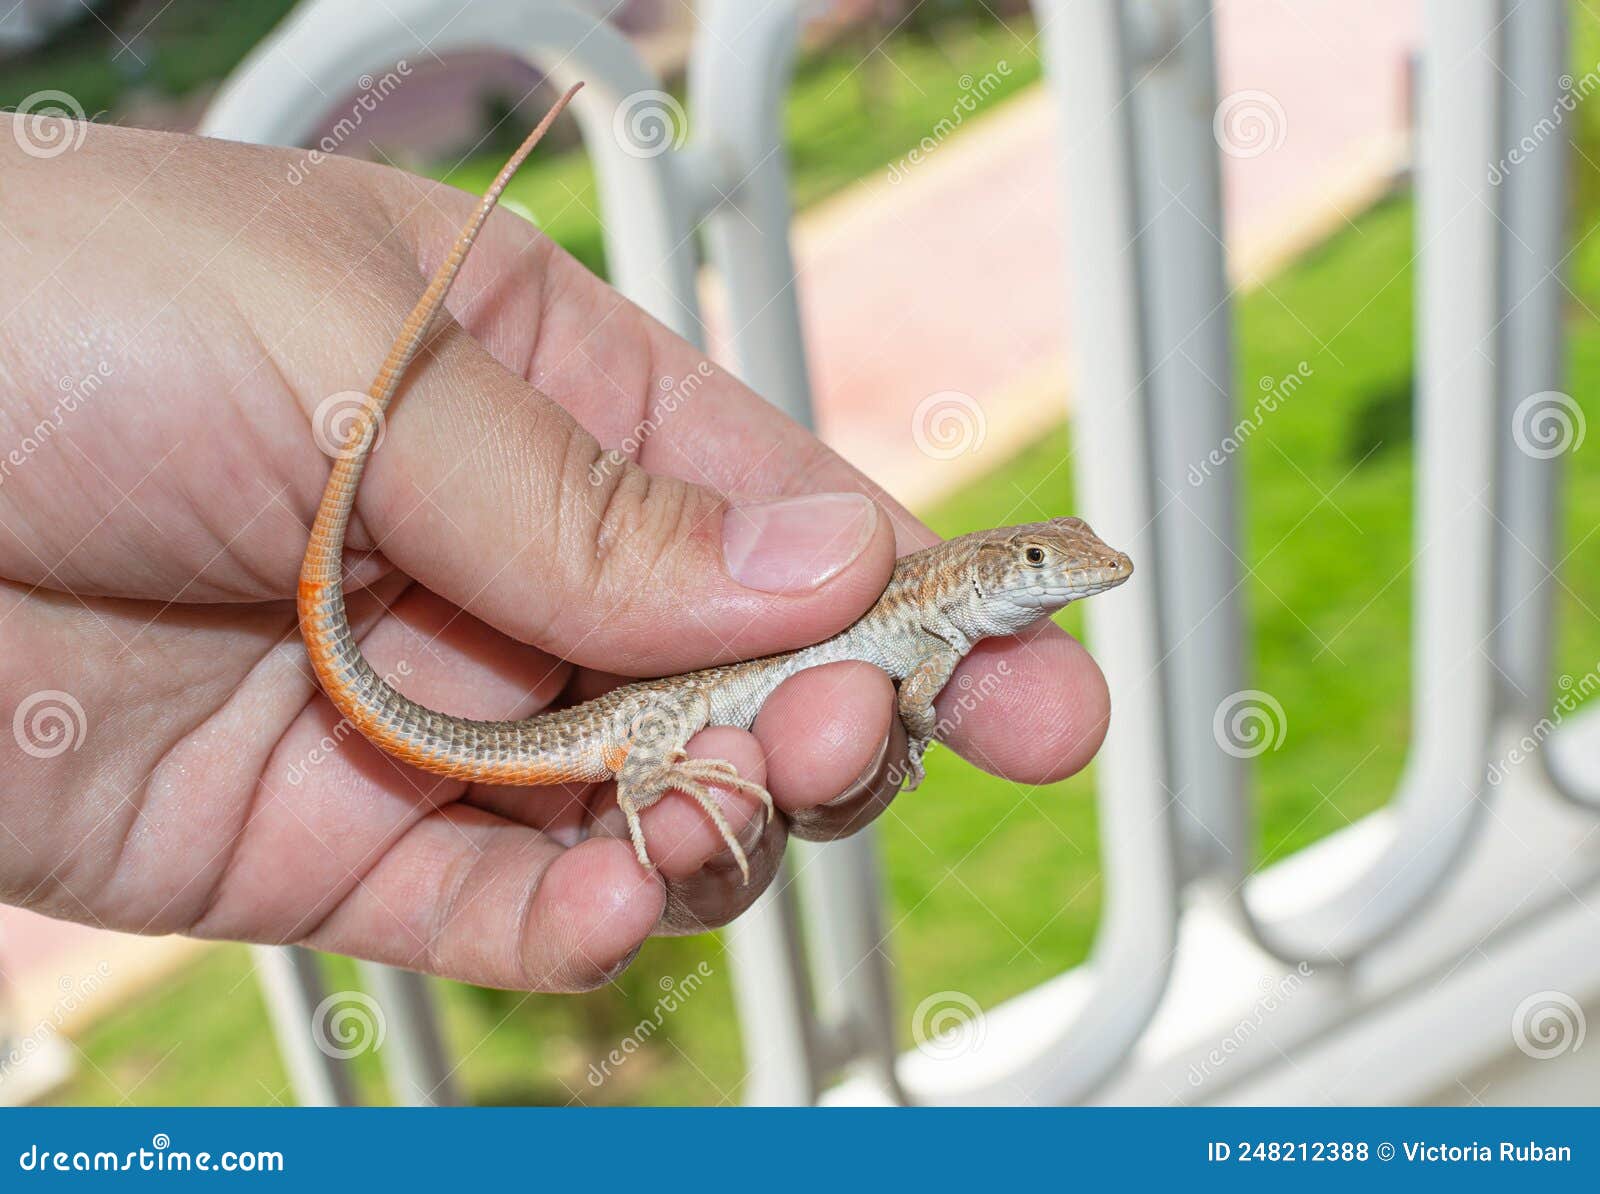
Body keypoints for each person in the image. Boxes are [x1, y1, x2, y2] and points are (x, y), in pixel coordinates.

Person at [0, 115, 1110, 991]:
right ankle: (640, 772)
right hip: (631, 727)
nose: (1075, 574)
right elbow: (910, 708)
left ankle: (643, 769)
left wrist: (911, 726)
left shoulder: (923, 641)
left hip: (629, 715)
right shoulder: (913, 620)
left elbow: (914, 704)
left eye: (1056, 569)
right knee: (708, 762)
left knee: (751, 773)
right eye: (1038, 565)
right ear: (978, 573)